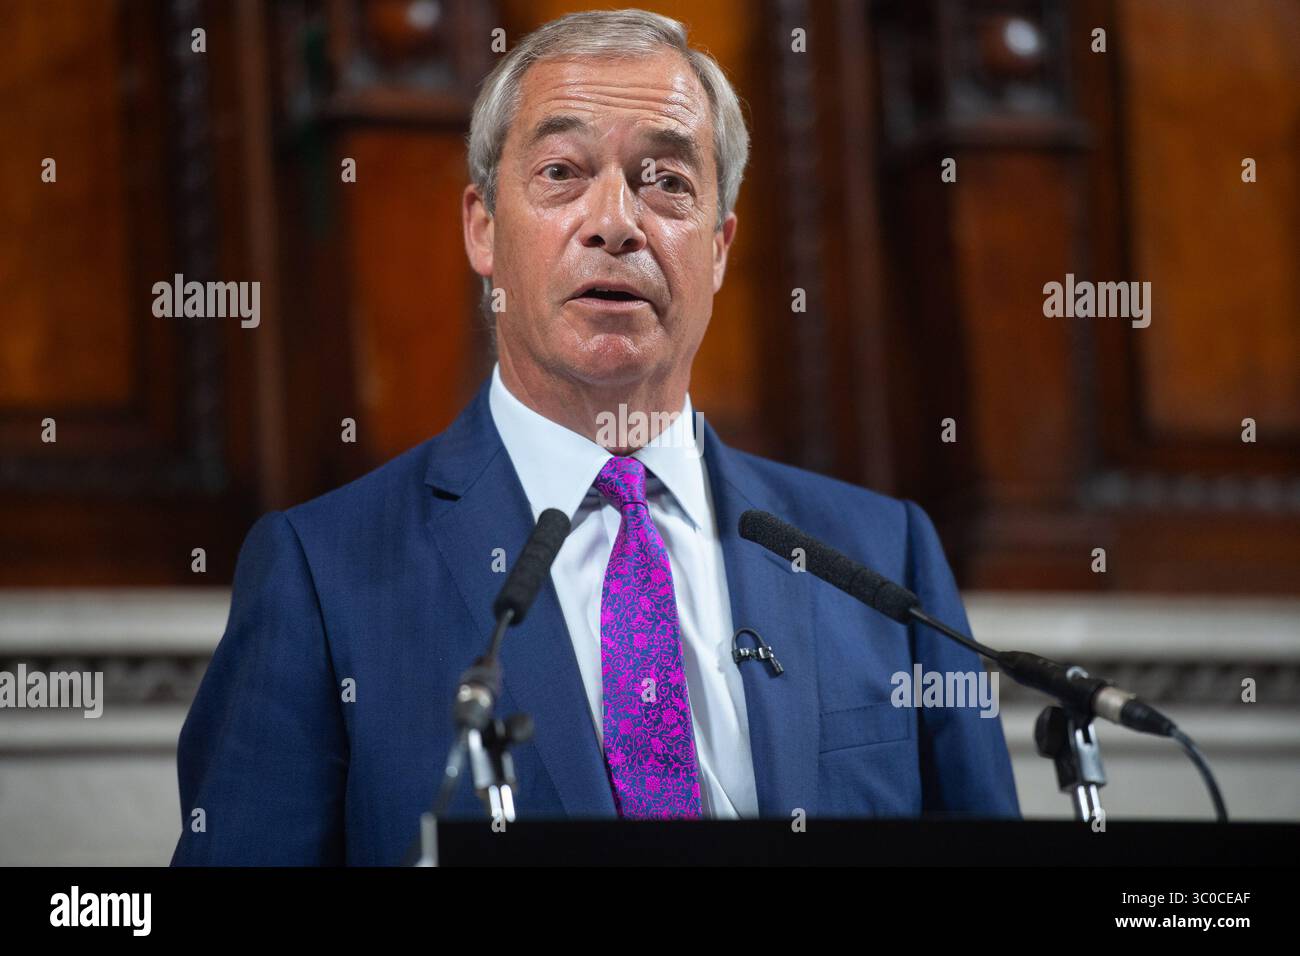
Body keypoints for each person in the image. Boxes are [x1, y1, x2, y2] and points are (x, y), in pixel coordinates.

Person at [172, 8, 1018, 866]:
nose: (615, 223)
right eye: (562, 172)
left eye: (667, 182)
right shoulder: (324, 575)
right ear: (483, 229)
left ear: (720, 248)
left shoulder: (883, 559)